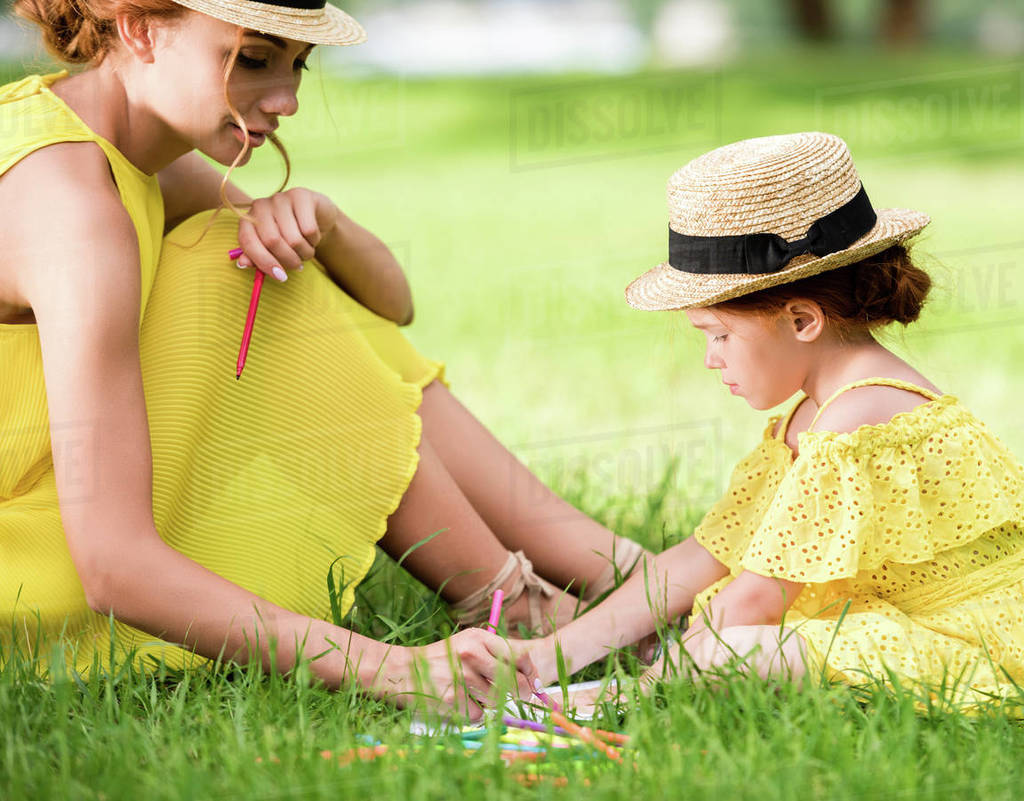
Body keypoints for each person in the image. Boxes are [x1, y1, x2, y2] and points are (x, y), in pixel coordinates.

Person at [0, 0, 645, 721]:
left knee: (262, 247)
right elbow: (114, 566)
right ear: (141, 28)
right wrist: (394, 668)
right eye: (251, 59)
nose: (287, 100)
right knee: (246, 264)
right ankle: (535, 599)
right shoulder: (68, 206)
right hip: (24, 593)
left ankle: (608, 573)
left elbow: (390, 307)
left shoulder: (130, 153)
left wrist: (323, 224)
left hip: (48, 524)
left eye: (297, 65)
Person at [523, 132, 1024, 717]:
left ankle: (631, 691)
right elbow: (706, 554)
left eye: (720, 335)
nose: (712, 360)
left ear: (803, 319)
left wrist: (618, 694)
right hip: (886, 627)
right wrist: (545, 658)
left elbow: (757, 598)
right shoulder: (815, 411)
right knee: (713, 630)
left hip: (966, 654)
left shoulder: (862, 417)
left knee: (723, 649)